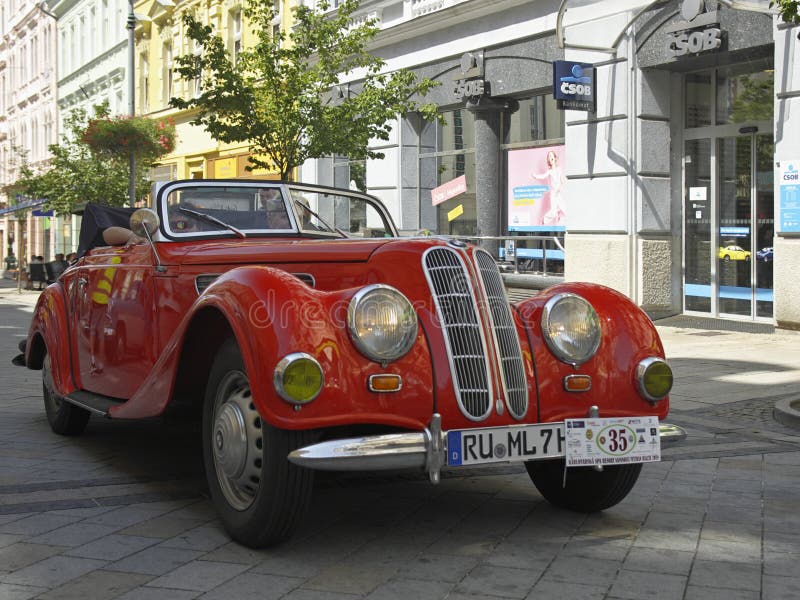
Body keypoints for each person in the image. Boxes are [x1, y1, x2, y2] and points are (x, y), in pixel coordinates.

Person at [531, 150, 566, 226]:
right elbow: (543, 176)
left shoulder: (559, 169)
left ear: (554, 158)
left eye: (552, 155)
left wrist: (559, 188)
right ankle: (544, 219)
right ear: (549, 160)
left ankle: (558, 212)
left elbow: (563, 181)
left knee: (565, 210)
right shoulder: (549, 171)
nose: (551, 157)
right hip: (553, 194)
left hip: (558, 193)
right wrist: (535, 176)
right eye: (549, 156)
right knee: (553, 213)